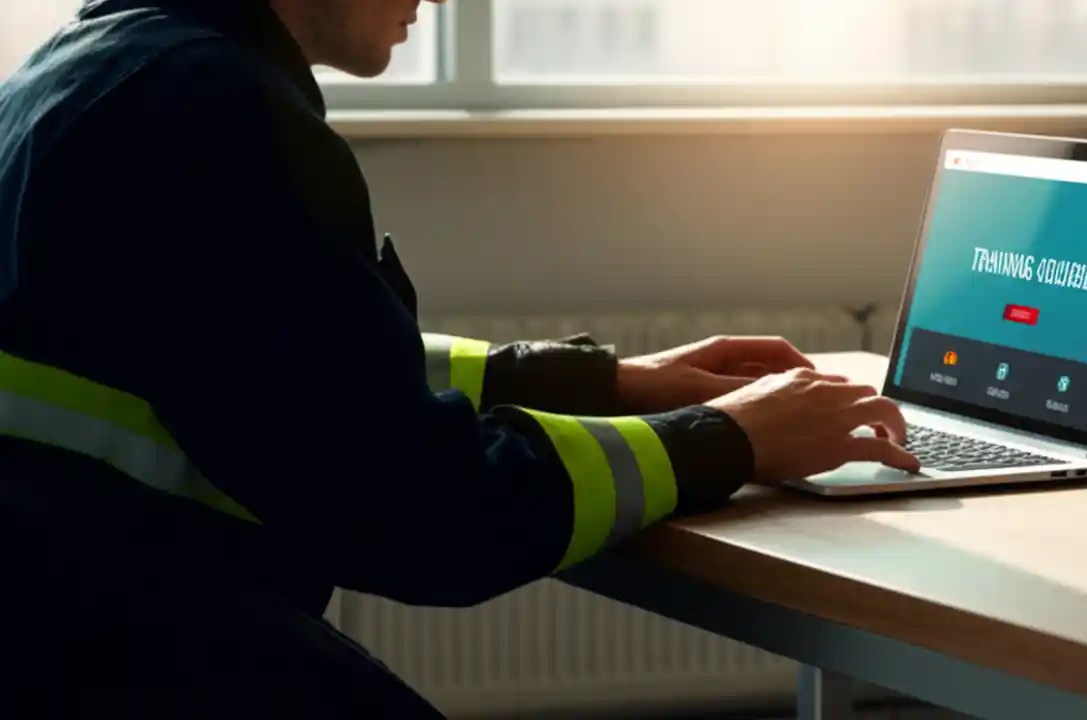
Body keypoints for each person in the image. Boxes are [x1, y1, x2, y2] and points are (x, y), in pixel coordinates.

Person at [0, 0, 919, 716]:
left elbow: (292, 362)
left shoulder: (90, 72)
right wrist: (722, 439)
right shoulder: (219, 112)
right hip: (111, 648)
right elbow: (420, 513)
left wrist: (606, 382)